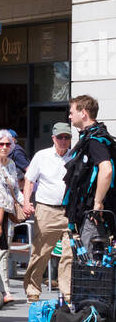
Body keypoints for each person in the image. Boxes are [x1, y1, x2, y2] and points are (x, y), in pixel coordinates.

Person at [22, 123, 73, 303]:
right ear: (53, 138)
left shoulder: (76, 155)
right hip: (46, 209)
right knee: (41, 252)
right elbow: (29, 180)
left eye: (67, 137)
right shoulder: (42, 156)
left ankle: (67, 293)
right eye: (60, 137)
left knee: (69, 253)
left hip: (69, 211)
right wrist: (26, 202)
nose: (64, 141)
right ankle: (33, 290)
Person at [63, 94, 116, 257]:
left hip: (94, 215)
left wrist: (98, 202)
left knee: (92, 263)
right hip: (87, 212)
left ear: (83, 113)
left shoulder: (95, 140)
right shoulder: (92, 138)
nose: (69, 116)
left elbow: (106, 170)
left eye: (72, 112)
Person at [0, 129, 24, 306]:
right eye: (1, 144)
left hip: (8, 212)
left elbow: (15, 189)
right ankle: (4, 290)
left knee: (1, 253)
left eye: (8, 144)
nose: (5, 147)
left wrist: (25, 203)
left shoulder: (11, 164)